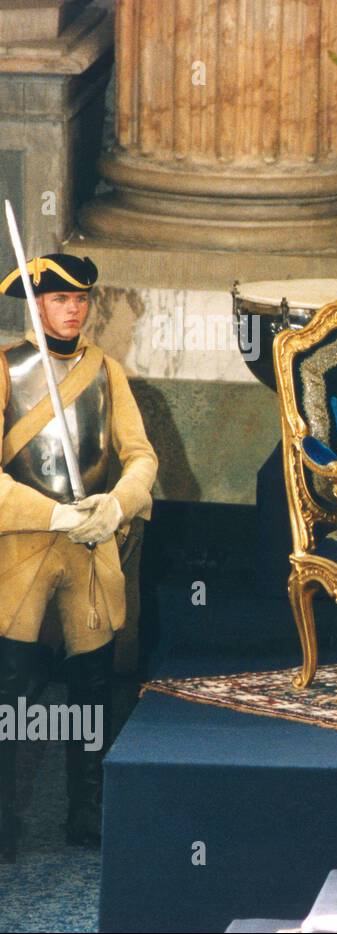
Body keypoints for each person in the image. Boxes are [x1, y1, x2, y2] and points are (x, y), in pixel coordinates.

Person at [0, 253, 158, 860]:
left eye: (82, 299)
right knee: (12, 689)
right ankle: (5, 821)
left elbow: (140, 454)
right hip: (24, 547)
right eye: (61, 300)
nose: (74, 309)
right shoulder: (8, 370)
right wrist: (50, 513)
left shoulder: (105, 371)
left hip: (90, 543)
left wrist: (117, 504)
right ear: (36, 304)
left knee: (93, 687)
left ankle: (86, 815)